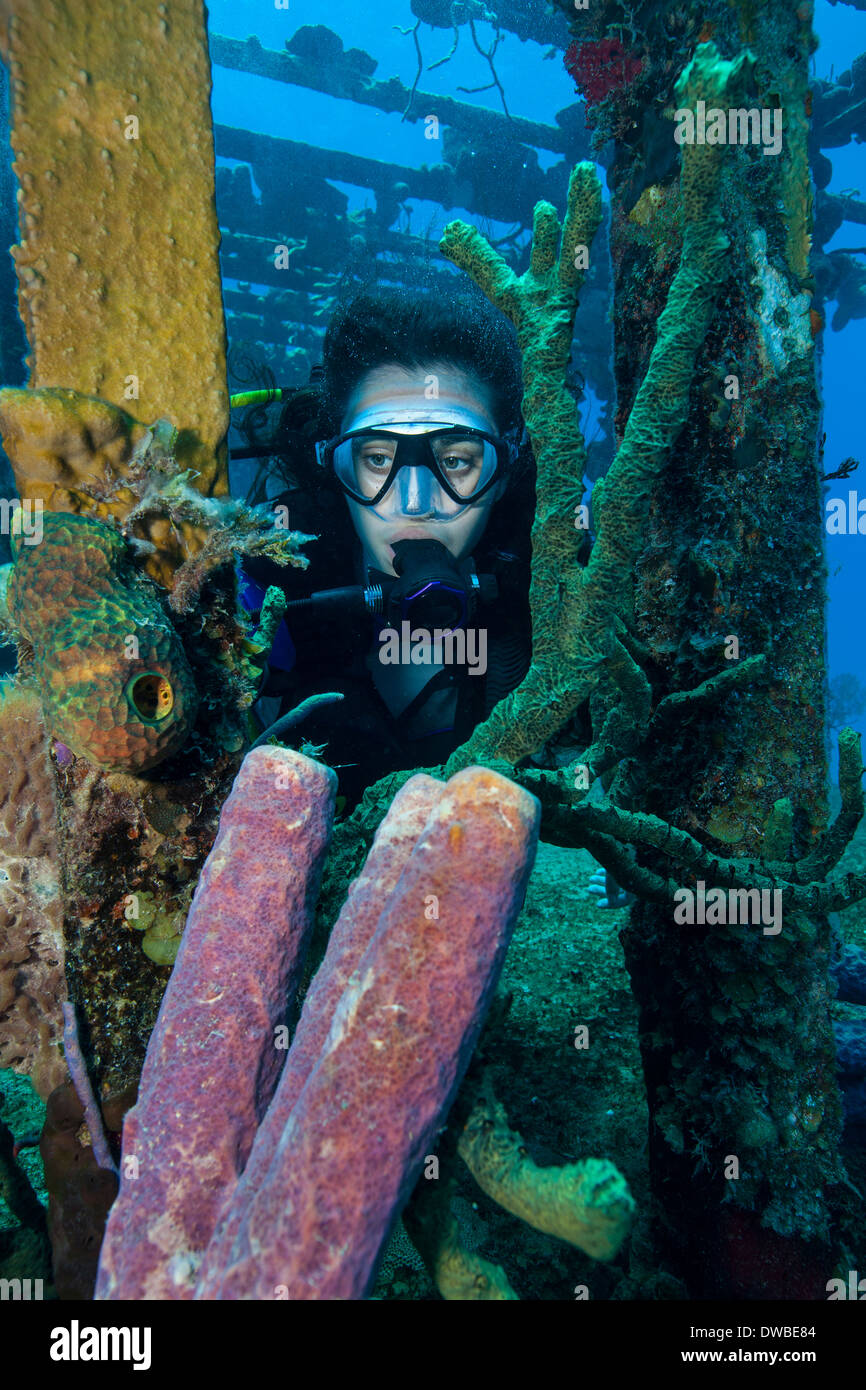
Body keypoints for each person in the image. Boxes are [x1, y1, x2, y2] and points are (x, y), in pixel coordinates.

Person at [239, 287, 535, 809]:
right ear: (337, 466)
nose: (416, 503)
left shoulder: (549, 601)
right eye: (378, 459)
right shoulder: (274, 577)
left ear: (503, 476)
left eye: (457, 460)